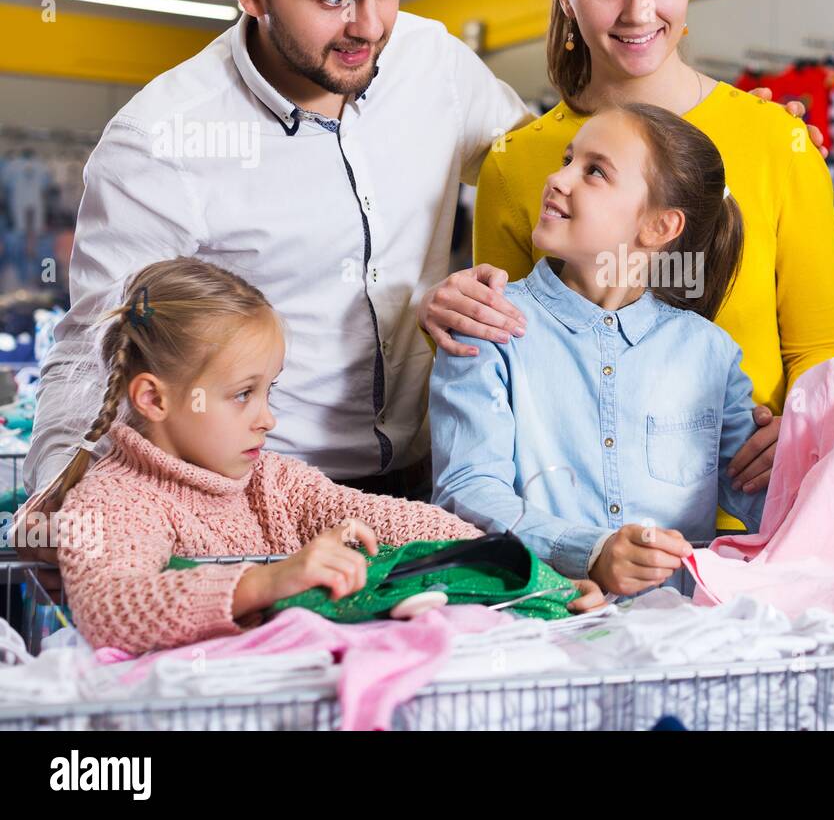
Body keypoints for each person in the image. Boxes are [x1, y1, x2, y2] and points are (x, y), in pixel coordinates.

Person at [25, 0, 820, 505]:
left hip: (423, 481)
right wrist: (64, 507)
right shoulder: (162, 140)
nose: (369, 26)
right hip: (252, 491)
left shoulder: (433, 63)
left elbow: (555, 152)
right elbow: (97, 349)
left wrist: (734, 140)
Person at [425, 0, 834, 503]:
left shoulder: (779, 141)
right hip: (580, 551)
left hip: (759, 525)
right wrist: (448, 311)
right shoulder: (518, 165)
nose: (640, 11)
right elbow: (504, 369)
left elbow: (826, 352)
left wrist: (805, 429)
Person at [27, 257, 602, 655]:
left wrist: (538, 579)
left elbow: (403, 522)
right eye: (241, 395)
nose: (267, 417)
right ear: (153, 398)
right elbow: (112, 609)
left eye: (268, 391)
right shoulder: (112, 501)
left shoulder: (270, 481)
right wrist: (270, 581)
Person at [430, 104, 762, 595]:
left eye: (594, 171)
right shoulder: (487, 322)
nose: (558, 178)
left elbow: (768, 498)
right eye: (567, 159)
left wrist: (820, 433)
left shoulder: (711, 354)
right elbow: (467, 490)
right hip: (538, 622)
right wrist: (589, 552)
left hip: (680, 638)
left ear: (659, 227)